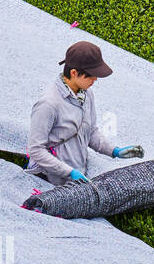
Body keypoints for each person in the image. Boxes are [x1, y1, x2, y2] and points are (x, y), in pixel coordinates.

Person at [26, 41, 144, 187]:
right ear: (74, 73)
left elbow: (91, 132)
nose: (95, 79)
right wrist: (69, 172)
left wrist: (114, 151)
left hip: (77, 177)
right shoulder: (48, 104)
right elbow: (36, 150)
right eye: (91, 76)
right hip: (48, 180)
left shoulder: (87, 95)